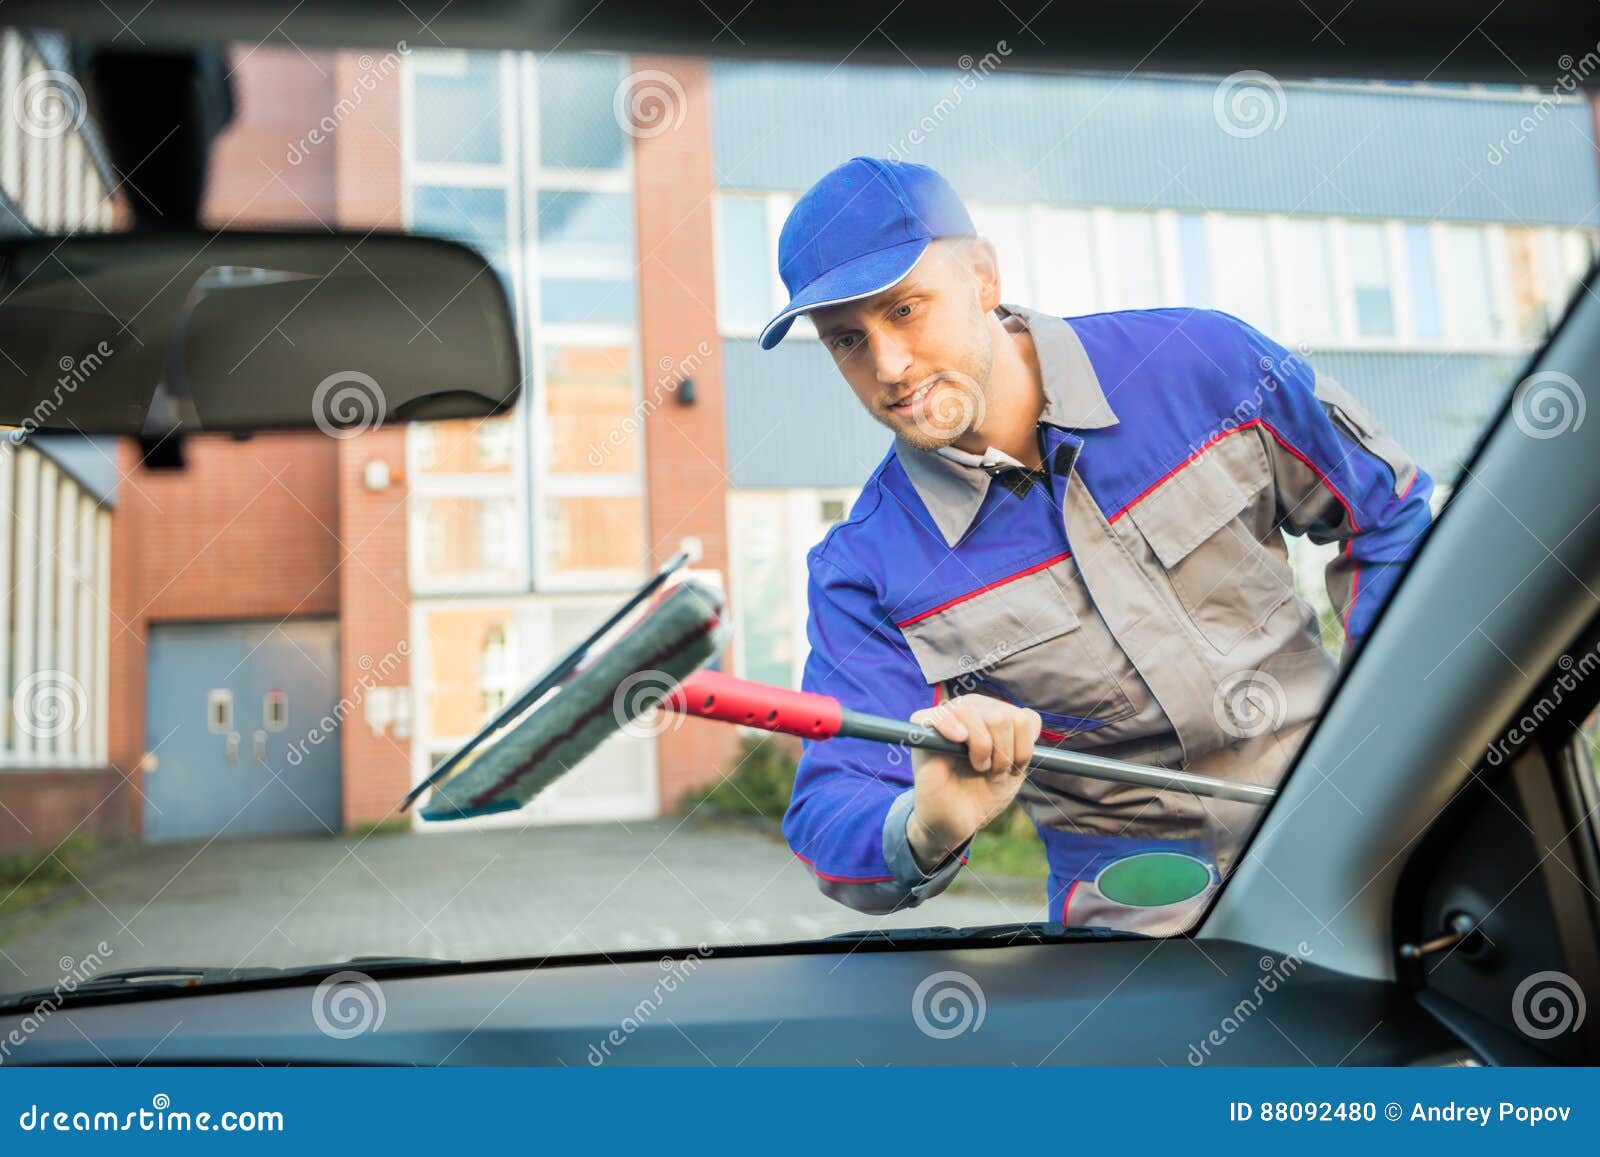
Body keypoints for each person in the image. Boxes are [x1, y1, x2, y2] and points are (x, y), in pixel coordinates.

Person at [762, 156, 1434, 933]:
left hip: (1366, 836)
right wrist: (926, 822)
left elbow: (1389, 512)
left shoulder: (1206, 365)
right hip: (1134, 925)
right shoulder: (866, 568)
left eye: (906, 310)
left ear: (982, 276)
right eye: (847, 340)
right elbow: (830, 804)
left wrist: (1390, 728)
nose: (888, 367)